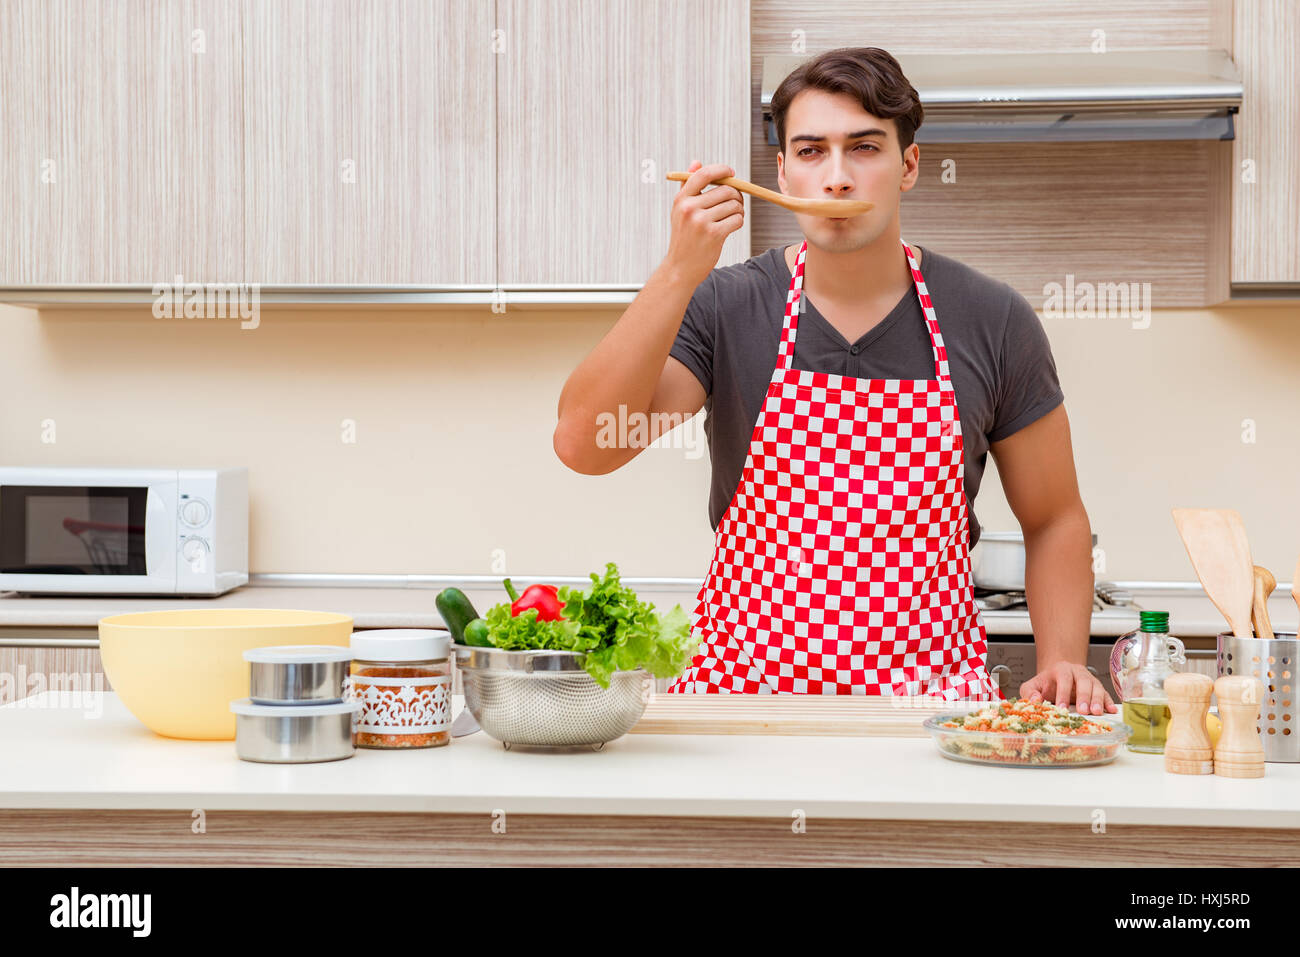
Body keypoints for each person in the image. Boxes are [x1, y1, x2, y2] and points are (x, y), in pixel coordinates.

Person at [554, 47, 1115, 713]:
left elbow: (1053, 518)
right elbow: (586, 446)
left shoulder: (991, 319)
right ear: (783, 170)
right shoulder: (726, 307)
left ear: (908, 166)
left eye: (865, 148)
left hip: (931, 713)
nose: (838, 178)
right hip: (741, 706)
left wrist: (1063, 662)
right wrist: (679, 270)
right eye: (812, 151)